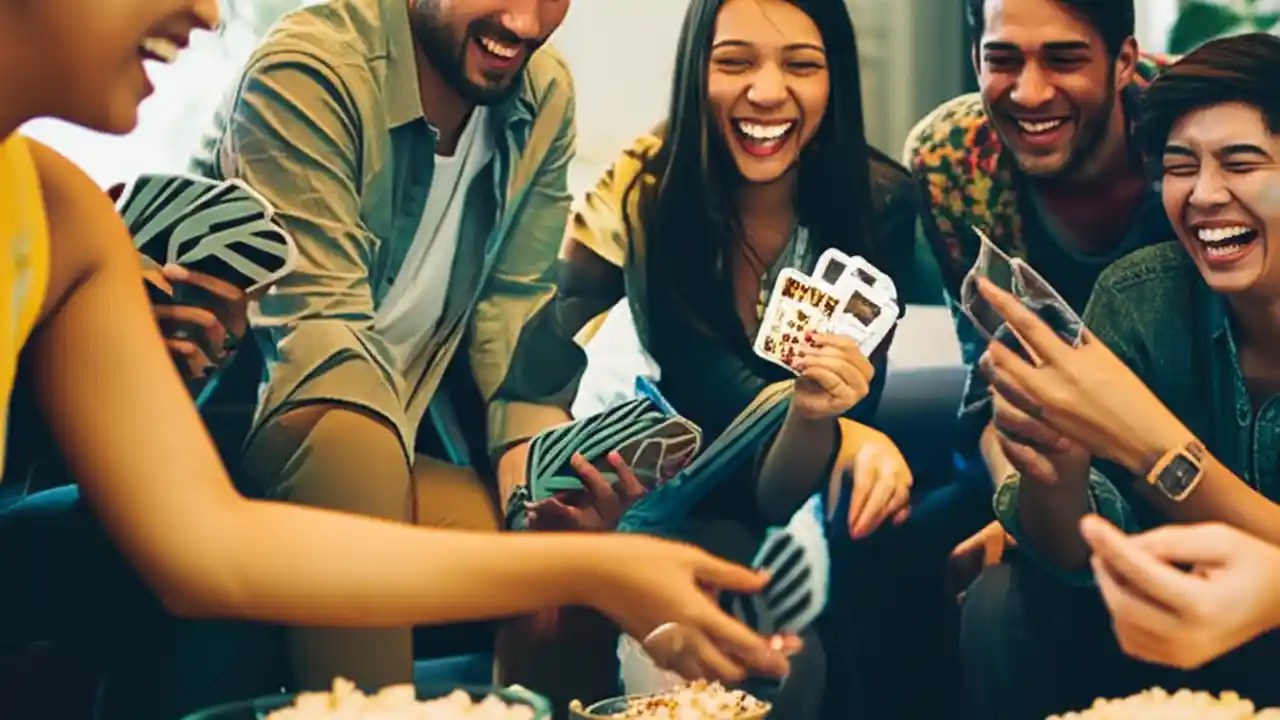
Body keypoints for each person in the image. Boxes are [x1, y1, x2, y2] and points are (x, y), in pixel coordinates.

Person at [0, 2, 795, 720]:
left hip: (321, 473)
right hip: (264, 443)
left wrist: (567, 533)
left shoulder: (64, 217)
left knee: (562, 523)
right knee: (358, 442)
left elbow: (515, 339)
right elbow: (324, 361)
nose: (209, 12)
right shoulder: (311, 66)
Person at [487, 0, 919, 716]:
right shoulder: (647, 189)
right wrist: (533, 511)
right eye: (735, 61)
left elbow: (780, 489)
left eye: (801, 65)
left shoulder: (881, 203)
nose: (767, 91)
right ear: (697, 73)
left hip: (776, 508)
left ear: (835, 79)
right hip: (651, 484)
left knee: (815, 616)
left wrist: (829, 422)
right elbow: (546, 364)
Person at [963, 34, 1280, 717]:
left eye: (1241, 163)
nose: (1203, 195)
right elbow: (1072, 551)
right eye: (1178, 167)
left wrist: (1155, 446)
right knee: (1004, 600)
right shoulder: (1139, 299)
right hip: (1156, 633)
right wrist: (1057, 468)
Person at [903, 0, 1173, 583]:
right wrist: (1024, 510)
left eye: (1064, 59)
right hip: (1037, 445)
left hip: (1197, 439)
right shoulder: (951, 157)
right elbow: (990, 372)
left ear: (1124, 61)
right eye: (1003, 60)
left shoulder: (1193, 123)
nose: (1029, 93)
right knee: (894, 548)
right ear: (975, 59)